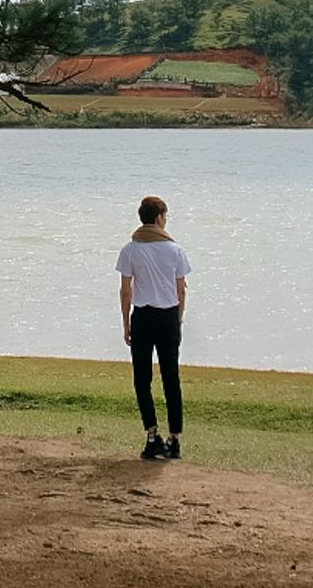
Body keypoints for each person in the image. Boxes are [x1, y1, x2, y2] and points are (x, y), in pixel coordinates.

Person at [115, 194, 192, 460]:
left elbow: (126, 292)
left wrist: (126, 323)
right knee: (171, 378)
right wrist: (178, 319)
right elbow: (181, 290)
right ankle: (175, 438)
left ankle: (152, 433)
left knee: (142, 379)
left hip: (143, 317)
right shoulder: (175, 250)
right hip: (168, 317)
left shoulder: (130, 250)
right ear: (159, 218)